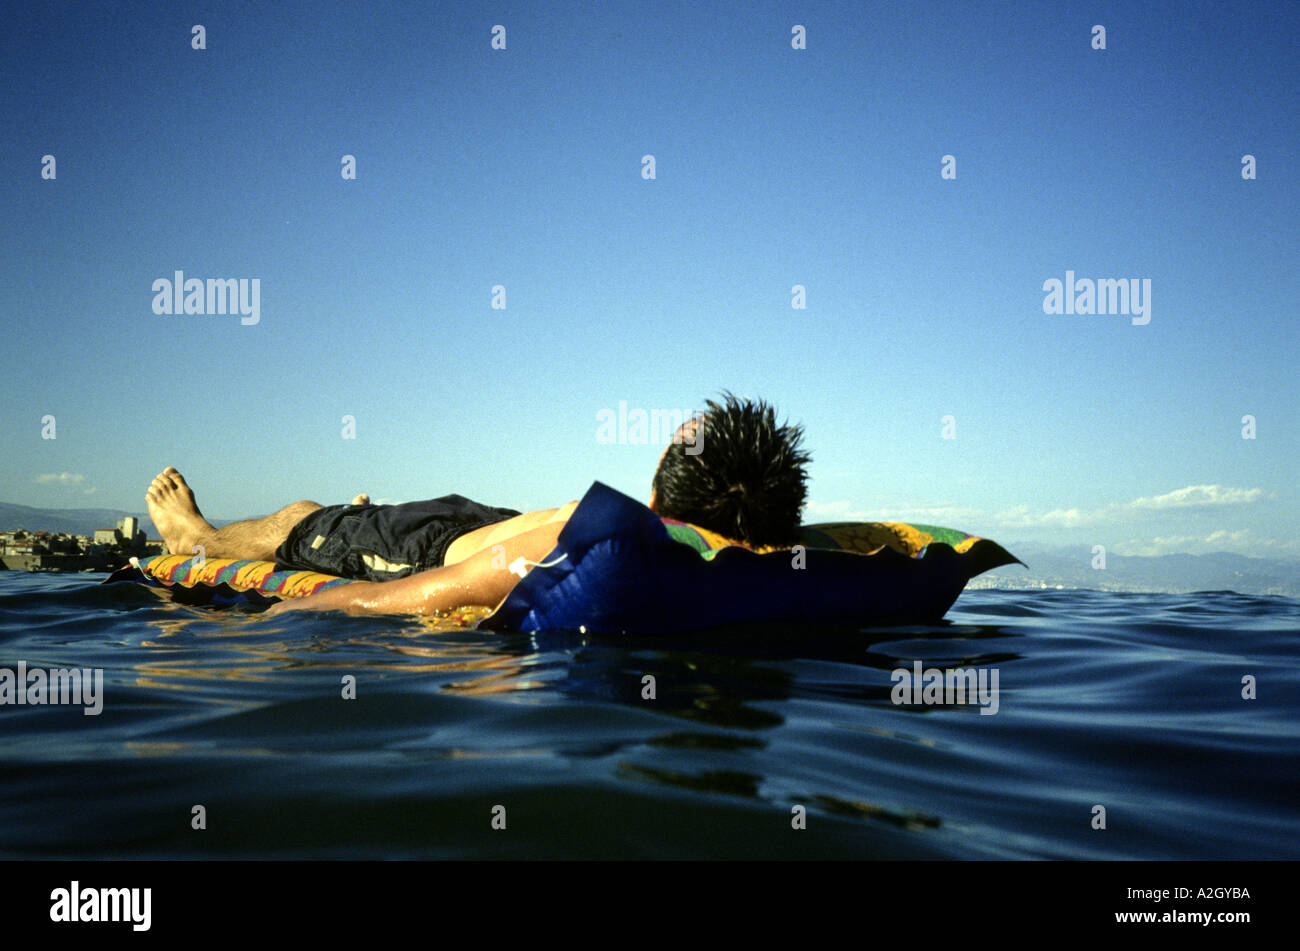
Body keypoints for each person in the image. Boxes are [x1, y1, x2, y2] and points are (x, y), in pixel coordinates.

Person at [144, 394, 810, 617]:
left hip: (436, 543)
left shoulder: (592, 548)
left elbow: (387, 601)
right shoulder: (770, 570)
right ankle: (212, 534)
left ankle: (204, 534)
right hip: (474, 527)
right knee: (314, 519)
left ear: (659, 495)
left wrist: (259, 633)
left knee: (305, 519)